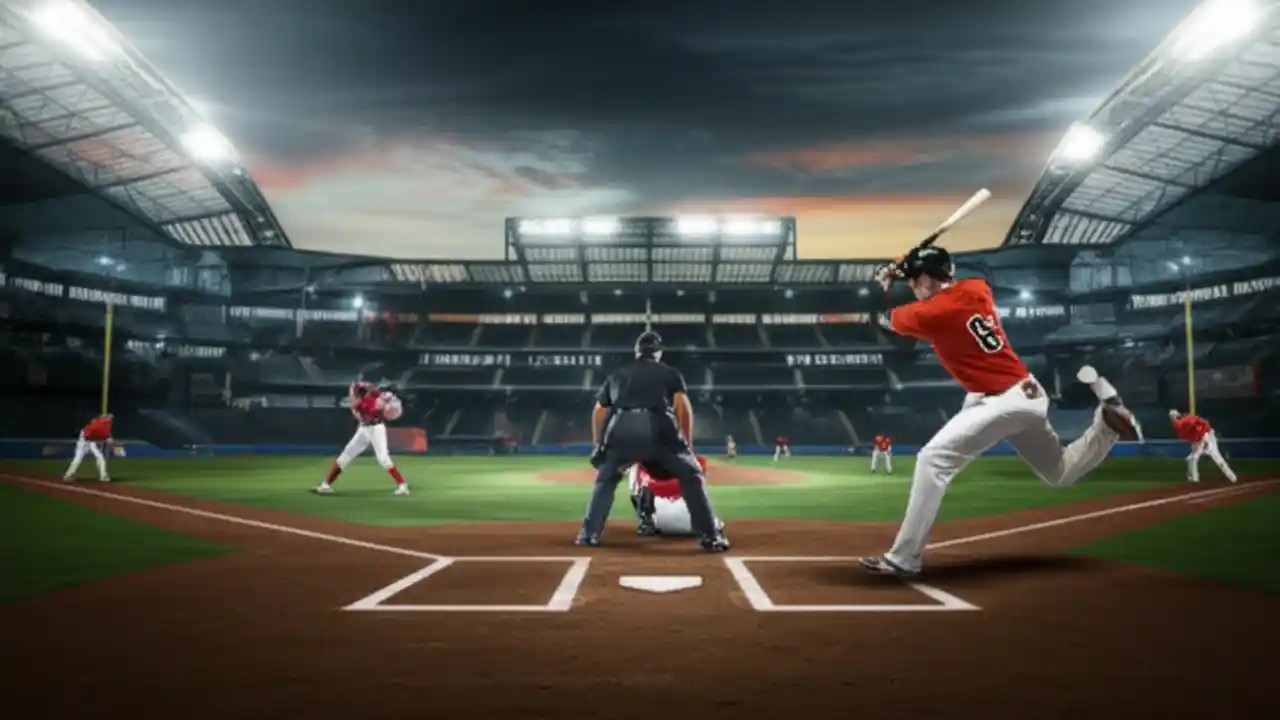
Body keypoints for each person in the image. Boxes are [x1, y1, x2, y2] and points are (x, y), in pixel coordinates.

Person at [859, 245, 1142, 577]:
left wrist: (881, 284)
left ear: (928, 279)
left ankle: (904, 558)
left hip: (1004, 400)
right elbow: (915, 319)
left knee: (932, 459)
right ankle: (1106, 427)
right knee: (1059, 472)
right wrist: (906, 269)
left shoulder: (934, 312)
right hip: (1025, 394)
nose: (912, 287)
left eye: (915, 281)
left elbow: (883, 322)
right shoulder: (976, 289)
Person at [576, 331, 729, 551]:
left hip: (620, 428)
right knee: (692, 476)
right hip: (657, 426)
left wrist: (599, 444)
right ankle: (711, 537)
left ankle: (588, 535)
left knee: (605, 481)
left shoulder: (617, 375)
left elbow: (599, 411)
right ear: (658, 353)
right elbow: (682, 407)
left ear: (636, 352)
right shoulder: (670, 373)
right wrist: (686, 447)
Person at [315, 382, 410, 495]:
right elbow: (365, 398)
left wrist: (355, 388)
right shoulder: (369, 399)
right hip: (364, 429)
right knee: (346, 455)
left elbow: (362, 401)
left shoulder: (371, 400)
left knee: (383, 458)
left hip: (376, 429)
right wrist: (360, 386)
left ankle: (402, 485)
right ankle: (326, 485)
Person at [630, 455, 726, 536]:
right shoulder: (698, 461)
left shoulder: (646, 463)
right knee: (698, 488)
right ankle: (711, 537)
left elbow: (635, 493)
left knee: (641, 485)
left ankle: (646, 523)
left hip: (660, 522)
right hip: (693, 523)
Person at [1170, 409, 1237, 483]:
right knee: (1192, 458)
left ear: (1178, 416)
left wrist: (1204, 438)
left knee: (1217, 459)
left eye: (1173, 416)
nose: (1173, 418)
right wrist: (1196, 444)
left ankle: (1232, 477)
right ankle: (1194, 480)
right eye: (1172, 417)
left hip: (1207, 437)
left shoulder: (1189, 420)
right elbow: (1191, 437)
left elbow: (1206, 424)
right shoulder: (1179, 430)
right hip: (1197, 440)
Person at [63, 414, 113, 483]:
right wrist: (89, 441)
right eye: (108, 419)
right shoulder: (97, 424)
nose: (109, 421)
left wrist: (104, 440)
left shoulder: (105, 427)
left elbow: (106, 437)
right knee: (78, 458)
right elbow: (87, 433)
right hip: (84, 440)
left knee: (100, 457)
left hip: (92, 440)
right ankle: (68, 475)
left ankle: (103, 476)